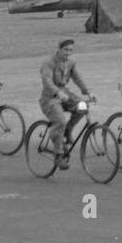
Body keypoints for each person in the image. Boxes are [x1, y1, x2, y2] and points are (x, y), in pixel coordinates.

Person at [40, 38, 92, 167]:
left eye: (70, 50)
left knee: (83, 106)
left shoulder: (71, 62)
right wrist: (58, 93)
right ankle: (58, 155)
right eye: (66, 50)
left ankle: (68, 130)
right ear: (59, 49)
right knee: (60, 121)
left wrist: (88, 92)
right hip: (49, 98)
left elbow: (77, 78)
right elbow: (47, 81)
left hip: (65, 94)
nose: (68, 53)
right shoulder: (49, 62)